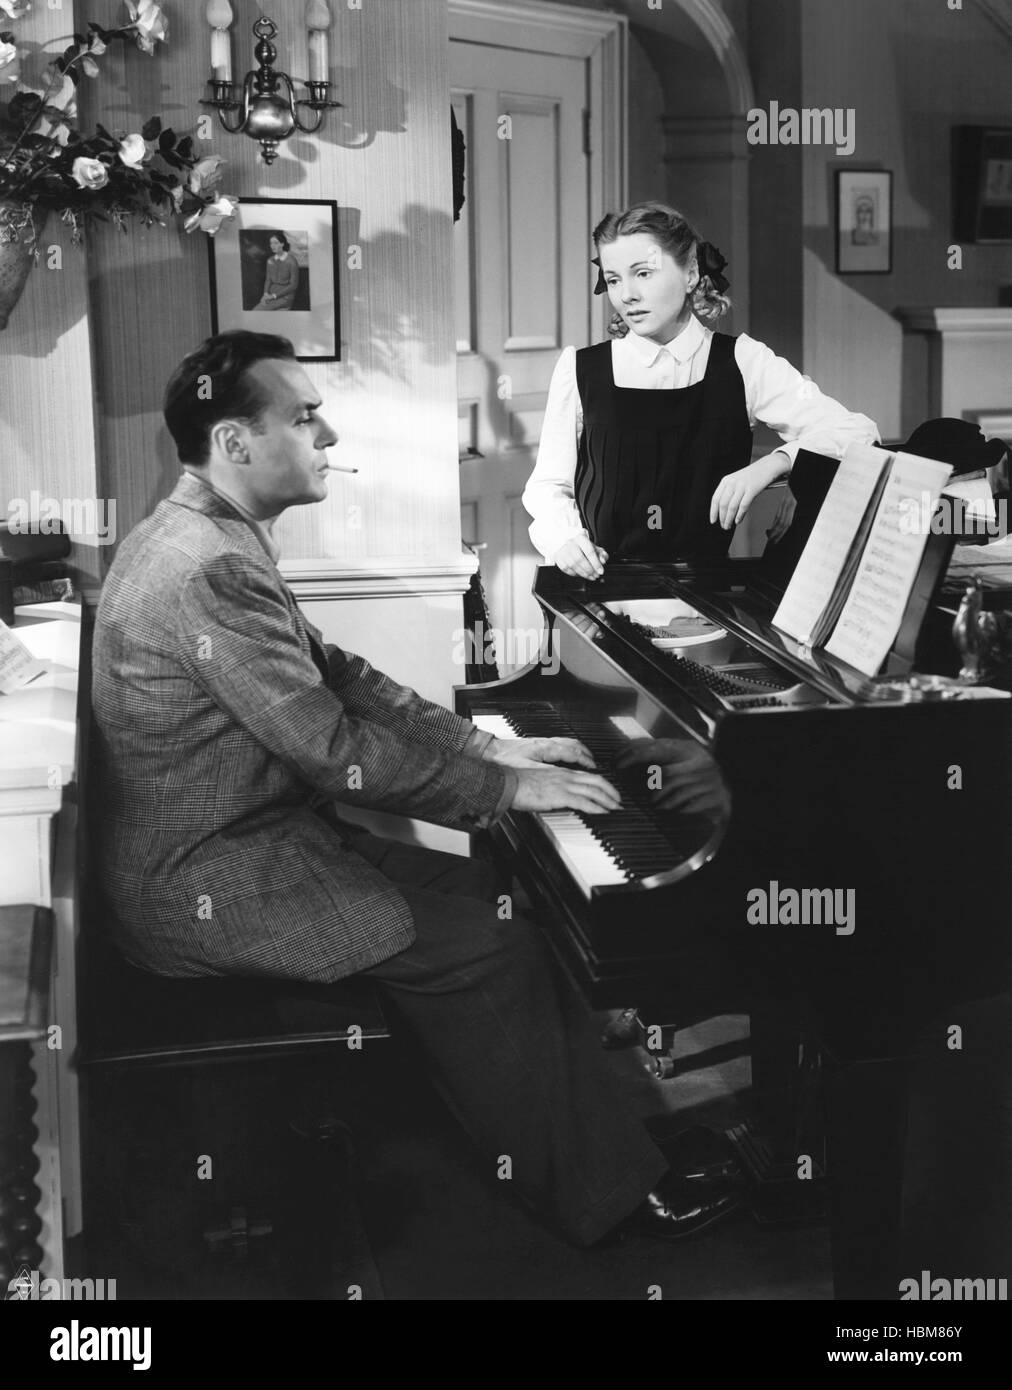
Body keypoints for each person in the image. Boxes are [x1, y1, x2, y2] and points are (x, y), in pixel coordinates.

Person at [90, 330, 741, 1248]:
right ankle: (610, 1201)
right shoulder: (207, 566)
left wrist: (493, 748)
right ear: (236, 443)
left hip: (249, 843)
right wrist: (506, 793)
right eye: (305, 418)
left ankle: (555, 1134)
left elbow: (346, 679)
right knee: (491, 950)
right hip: (208, 881)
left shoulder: (210, 533)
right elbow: (329, 747)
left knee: (498, 897)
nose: (328, 437)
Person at [523, 201, 880, 580]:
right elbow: (548, 486)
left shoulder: (743, 361)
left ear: (691, 272)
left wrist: (778, 464)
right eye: (613, 280)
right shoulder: (579, 370)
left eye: (643, 273)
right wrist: (563, 539)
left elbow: (858, 432)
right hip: (597, 595)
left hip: (706, 603)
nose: (626, 294)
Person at [254, 232, 299, 310]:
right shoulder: (270, 260)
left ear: (282, 244)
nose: (273, 246)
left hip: (285, 297)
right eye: (271, 243)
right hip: (270, 296)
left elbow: (293, 285)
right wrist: (265, 294)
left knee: (257, 312)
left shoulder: (291, 261)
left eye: (276, 243)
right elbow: (268, 280)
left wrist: (273, 296)